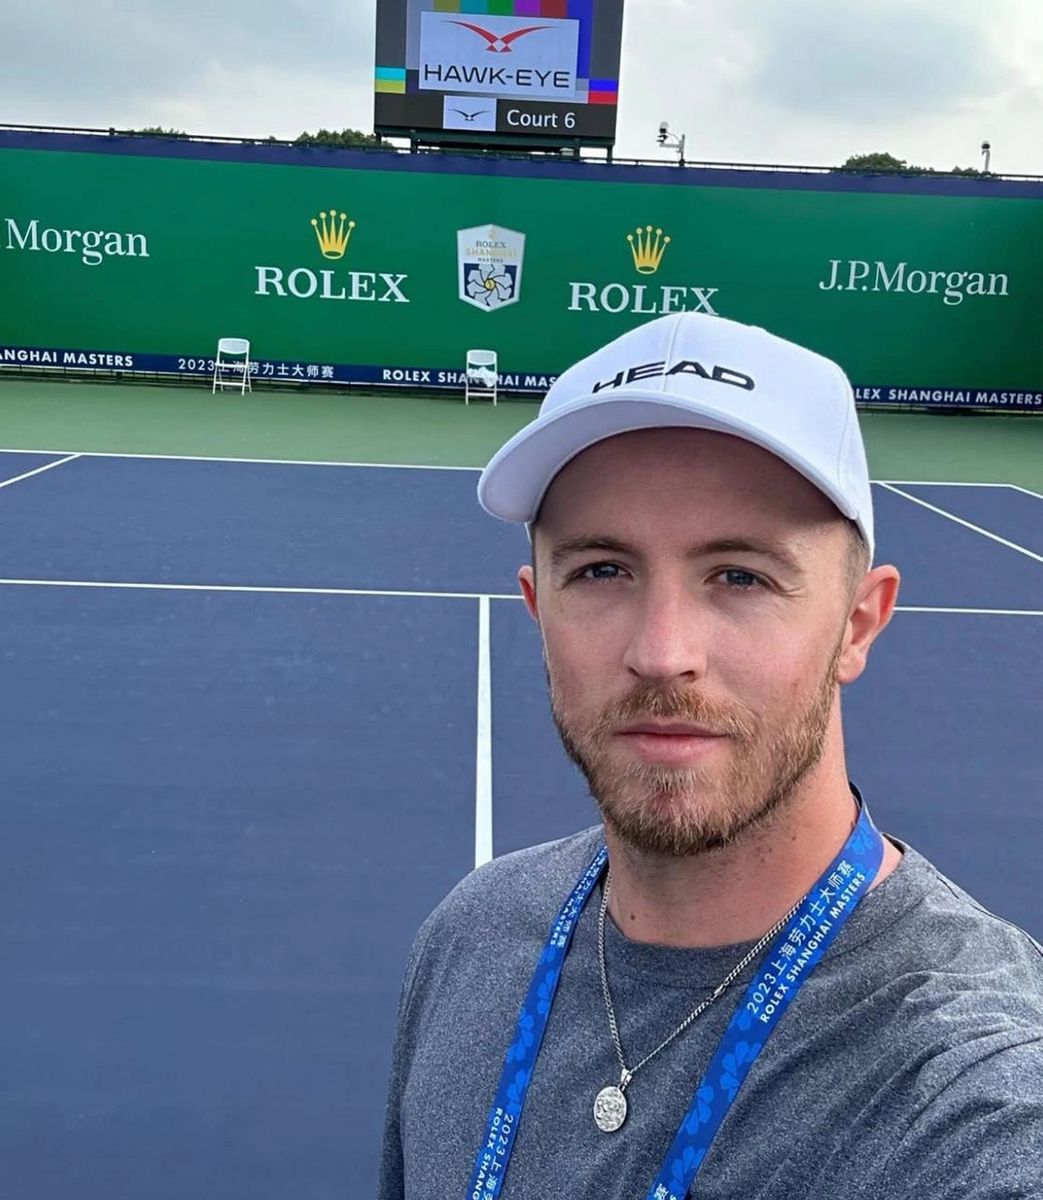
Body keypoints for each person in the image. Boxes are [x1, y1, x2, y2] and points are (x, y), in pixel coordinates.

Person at [377, 313, 1043, 1200]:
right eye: (603, 571)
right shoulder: (471, 938)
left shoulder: (971, 1086)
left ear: (857, 623)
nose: (661, 652)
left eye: (740, 576)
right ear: (536, 607)